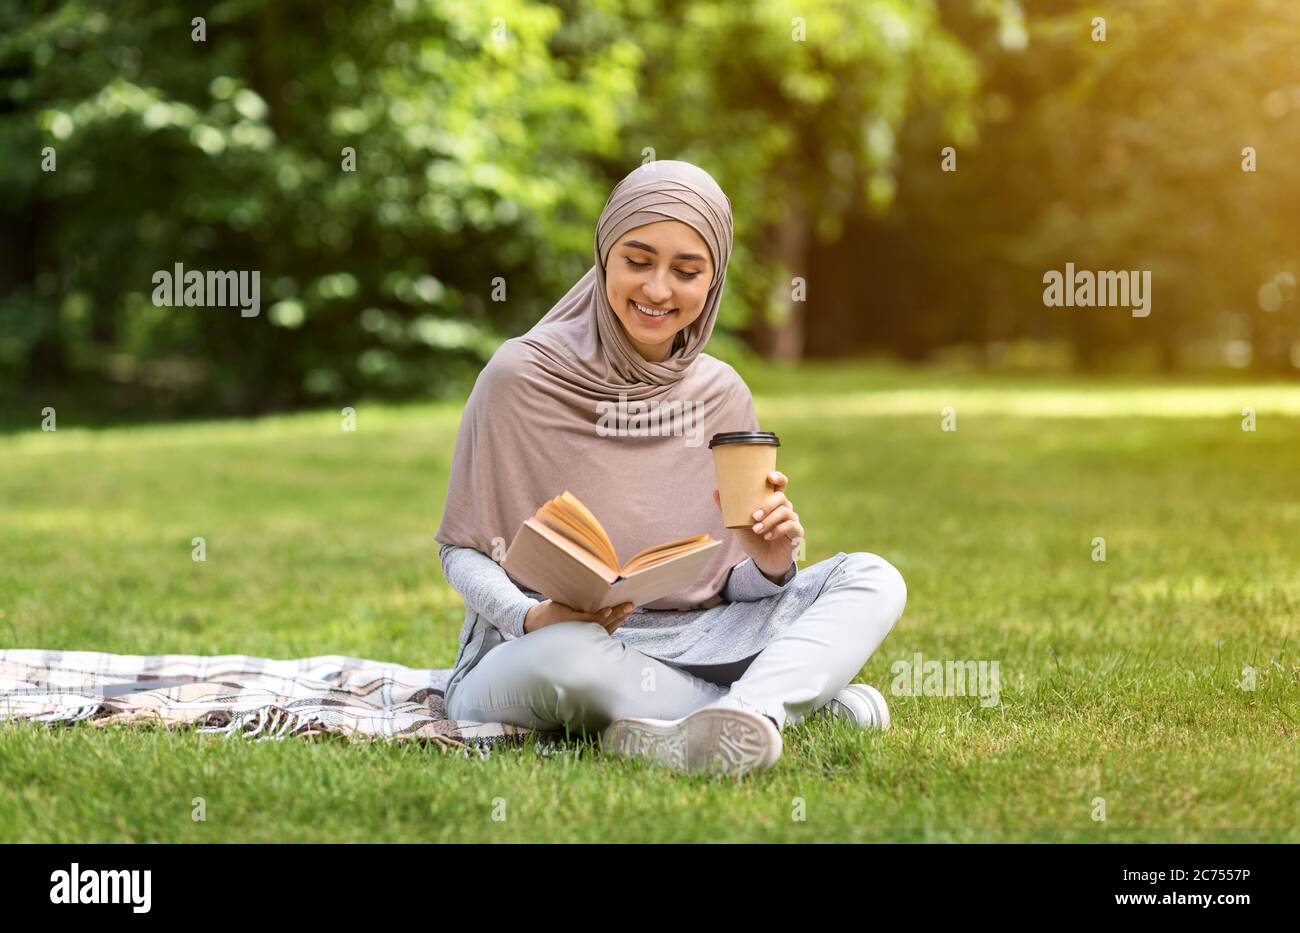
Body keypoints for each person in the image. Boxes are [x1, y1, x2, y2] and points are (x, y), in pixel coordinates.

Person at [434, 159, 906, 777]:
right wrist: (531, 615)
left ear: (713, 281)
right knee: (573, 664)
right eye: (638, 261)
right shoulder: (518, 377)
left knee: (873, 578)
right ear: (604, 258)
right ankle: (779, 706)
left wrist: (770, 563)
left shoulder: (722, 393)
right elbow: (460, 550)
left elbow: (724, 581)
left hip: (698, 641)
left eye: (687, 271)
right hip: (540, 645)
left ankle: (726, 717)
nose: (659, 290)